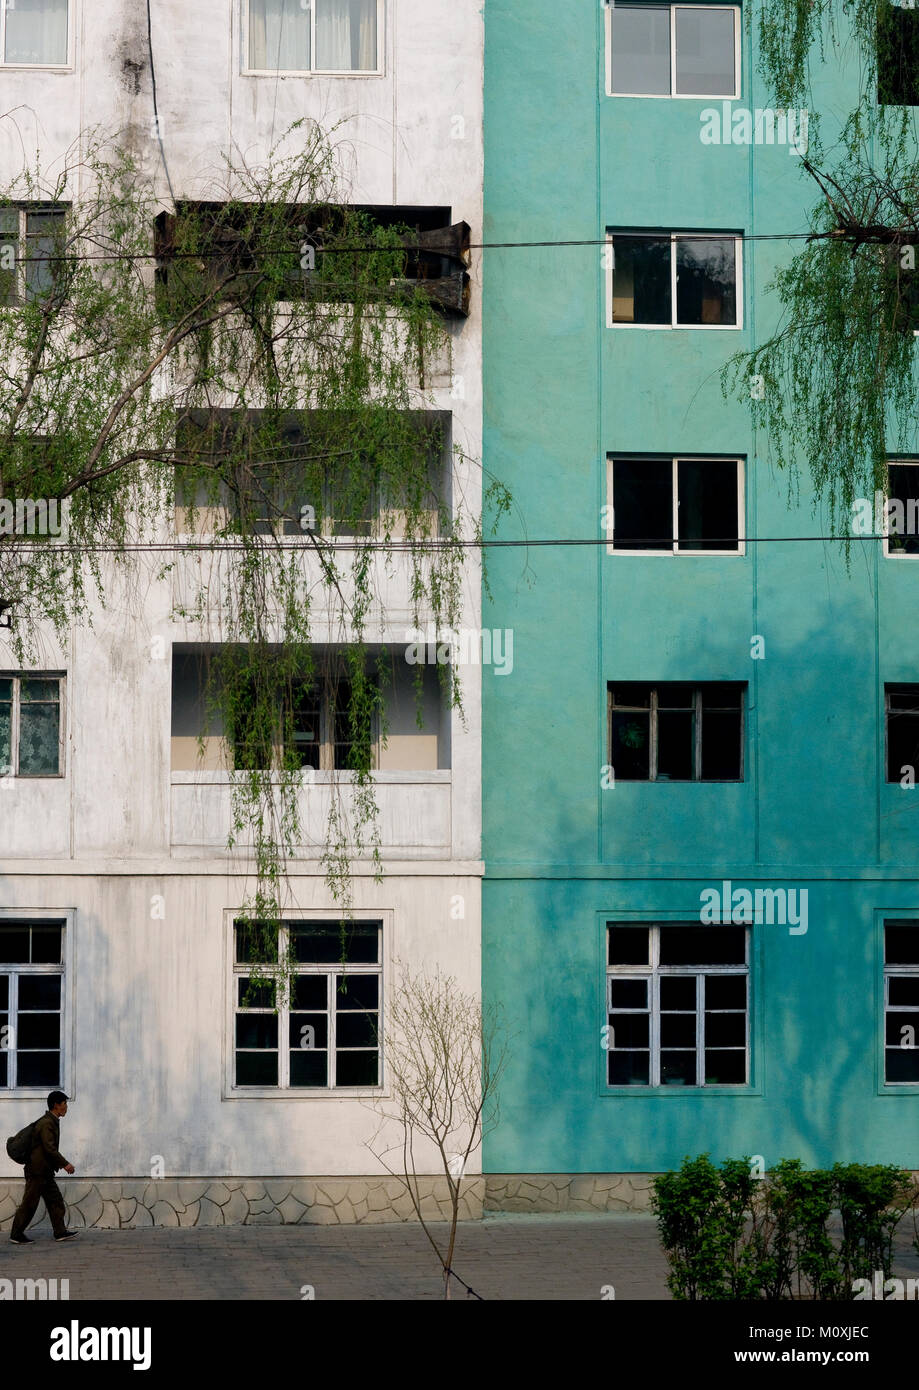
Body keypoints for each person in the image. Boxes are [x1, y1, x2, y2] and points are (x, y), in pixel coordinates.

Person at [9, 1090, 78, 1244]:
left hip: (45, 1171)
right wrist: (65, 1164)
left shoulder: (51, 1121)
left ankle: (60, 1232)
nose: (66, 1107)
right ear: (56, 1105)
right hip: (37, 1171)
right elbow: (49, 1148)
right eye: (64, 1103)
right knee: (30, 1203)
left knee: (56, 1201)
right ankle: (16, 1234)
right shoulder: (46, 1123)